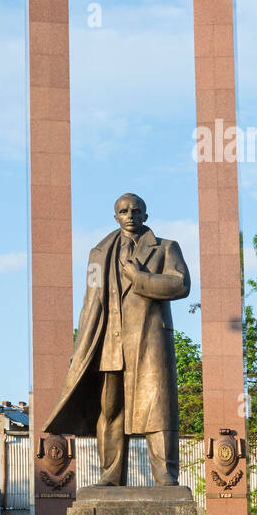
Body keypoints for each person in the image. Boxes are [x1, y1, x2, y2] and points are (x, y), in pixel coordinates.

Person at [43, 193, 190, 487]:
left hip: (150, 339)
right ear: (116, 217)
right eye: (124, 211)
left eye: (136, 211)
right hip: (110, 341)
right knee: (109, 411)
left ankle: (165, 474)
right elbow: (90, 302)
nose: (130, 215)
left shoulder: (166, 247)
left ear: (145, 216)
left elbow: (180, 284)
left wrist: (140, 279)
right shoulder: (99, 254)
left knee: (158, 407)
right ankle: (110, 474)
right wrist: (80, 346)